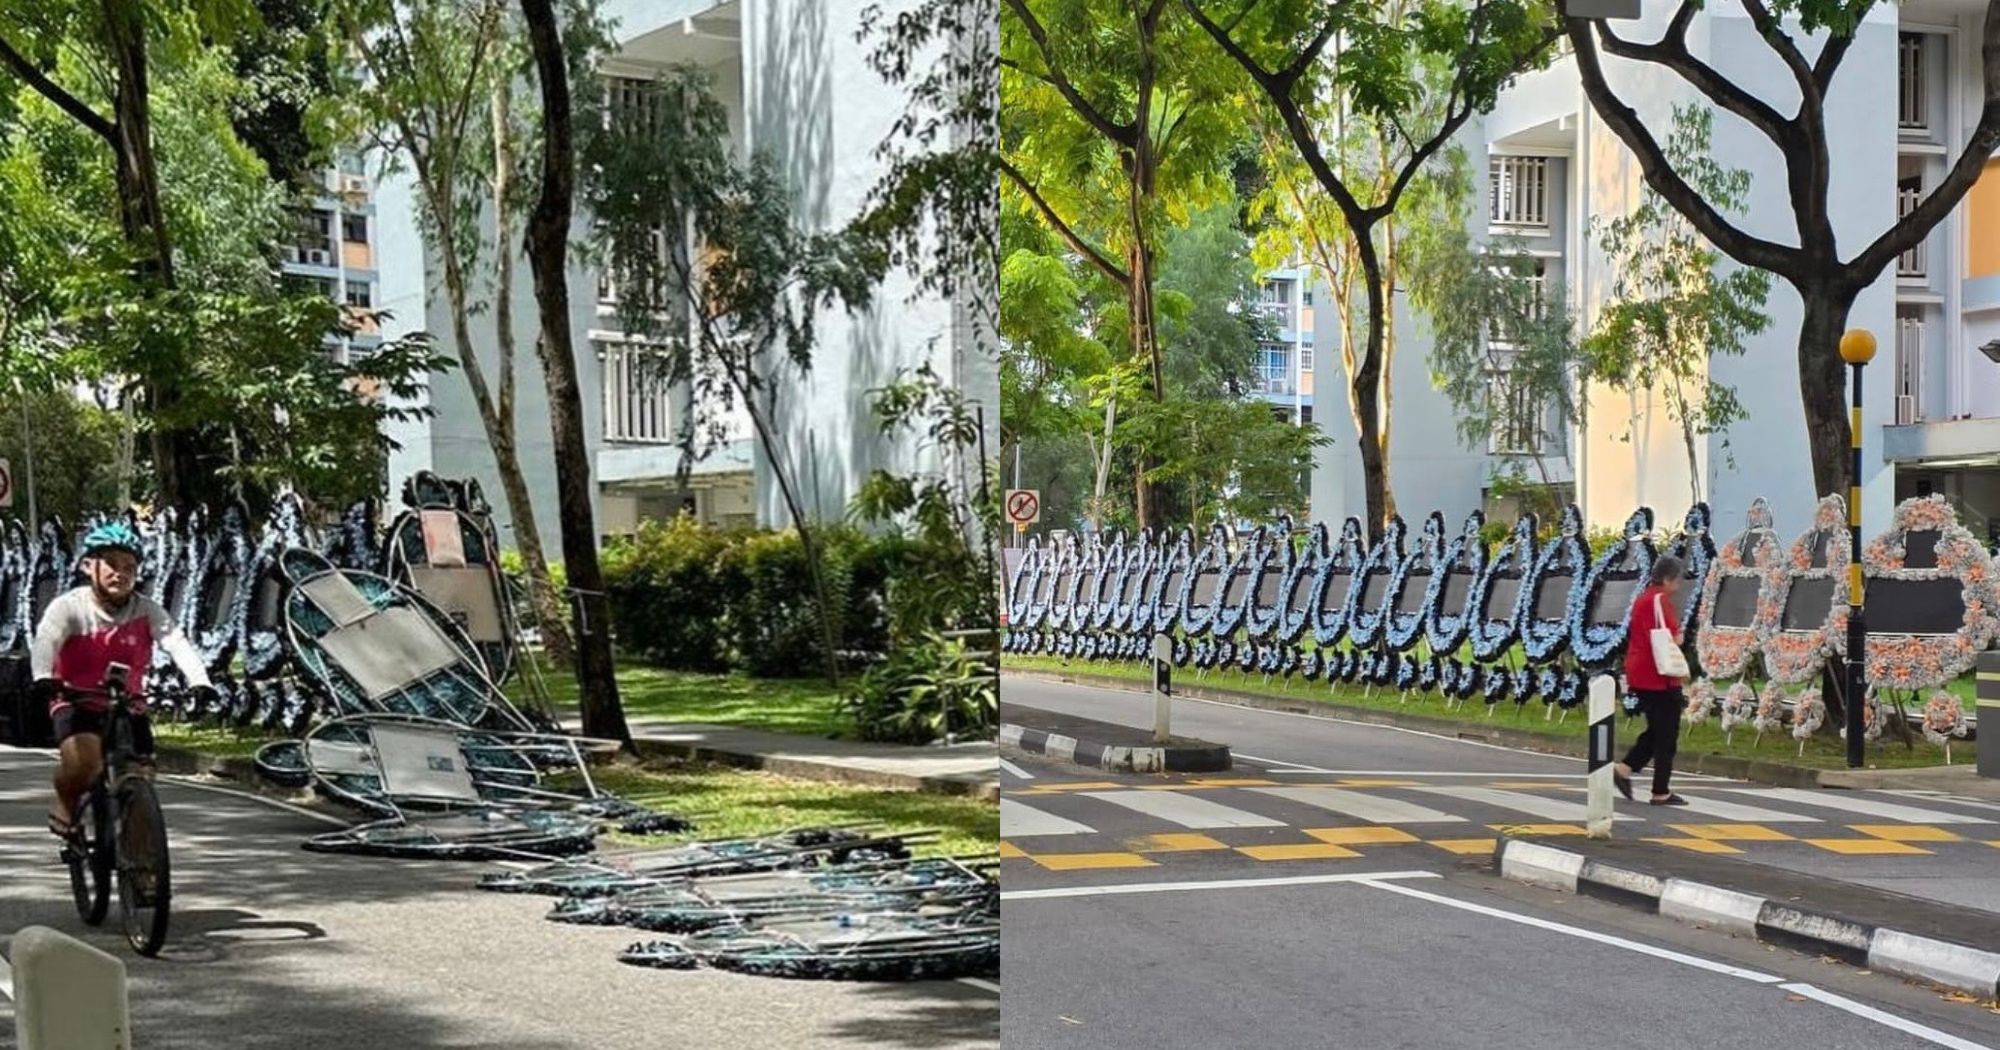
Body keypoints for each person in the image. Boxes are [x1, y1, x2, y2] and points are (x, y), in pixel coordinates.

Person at [31, 521, 216, 837]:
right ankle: (65, 801)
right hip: (76, 698)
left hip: (127, 703)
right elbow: (46, 640)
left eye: (129, 567)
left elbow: (176, 642)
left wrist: (200, 681)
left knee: (141, 779)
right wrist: (43, 675)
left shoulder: (147, 609)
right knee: (85, 765)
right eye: (112, 565)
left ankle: (140, 862)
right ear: (90, 567)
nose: (121, 573)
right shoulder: (69, 607)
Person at [1614, 554, 1690, 806]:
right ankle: (1660, 790)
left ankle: (1625, 769)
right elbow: (1670, 635)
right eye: (1677, 581)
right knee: (1667, 733)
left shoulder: (1643, 598)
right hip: (1658, 675)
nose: (1678, 586)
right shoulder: (1659, 599)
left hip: (1643, 672)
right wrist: (1680, 636)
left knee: (1657, 729)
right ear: (1668, 579)